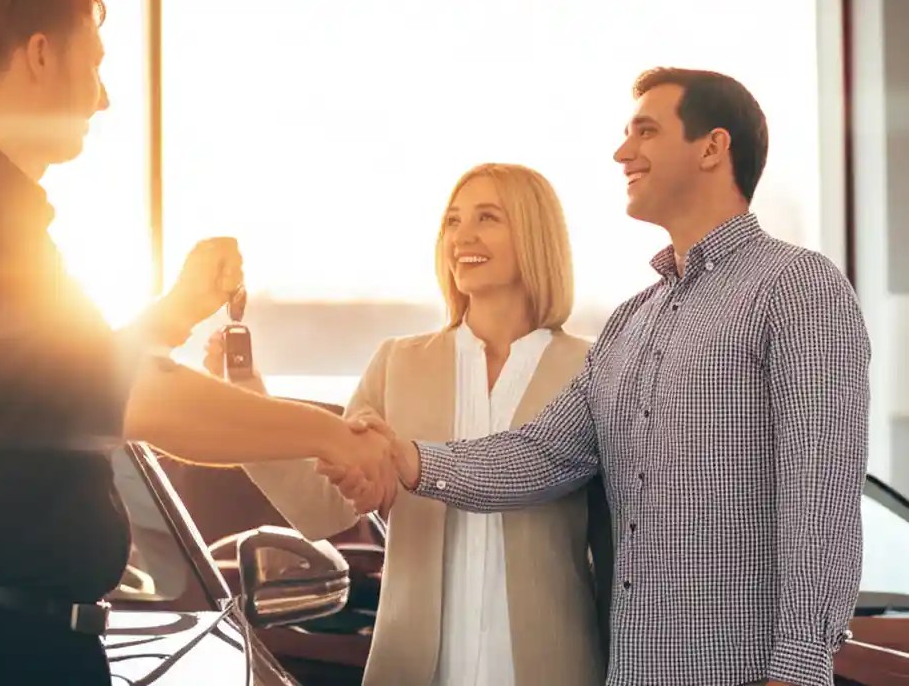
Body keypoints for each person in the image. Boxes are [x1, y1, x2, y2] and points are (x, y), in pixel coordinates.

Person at [0, 0, 390, 684]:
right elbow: (137, 400)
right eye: (96, 63)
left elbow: (62, 387)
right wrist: (326, 434)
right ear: (41, 55)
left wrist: (171, 315)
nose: (103, 98)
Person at [336, 68, 871, 686]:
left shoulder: (797, 287)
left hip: (746, 672)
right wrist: (410, 460)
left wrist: (801, 665)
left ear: (712, 147)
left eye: (645, 131)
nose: (623, 152)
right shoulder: (629, 323)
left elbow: (821, 488)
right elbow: (541, 456)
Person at [206, 163, 613, 686]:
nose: (462, 236)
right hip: (412, 670)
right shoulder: (397, 363)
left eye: (487, 217)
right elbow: (319, 503)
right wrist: (247, 402)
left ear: (535, 234)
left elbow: (627, 541)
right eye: (452, 221)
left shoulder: (596, 369)